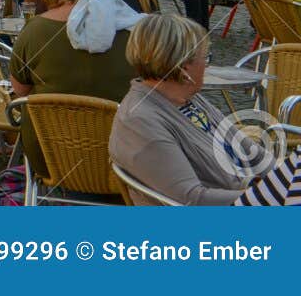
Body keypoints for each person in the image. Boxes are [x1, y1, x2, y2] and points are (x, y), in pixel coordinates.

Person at [110, 13, 301, 205]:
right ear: (183, 69)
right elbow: (193, 199)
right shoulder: (139, 121)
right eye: (206, 58)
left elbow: (250, 150)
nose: (207, 66)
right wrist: (270, 195)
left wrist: (287, 178)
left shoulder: (186, 99)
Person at [8, 0, 135, 178]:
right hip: (117, 155)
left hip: (50, 154)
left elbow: (20, 91)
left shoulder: (35, 30)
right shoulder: (125, 27)